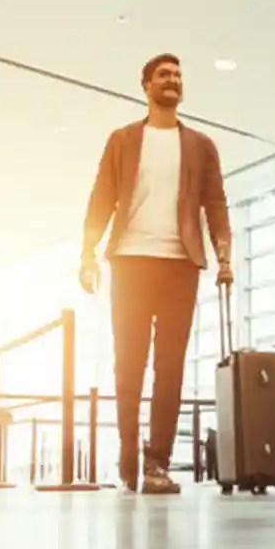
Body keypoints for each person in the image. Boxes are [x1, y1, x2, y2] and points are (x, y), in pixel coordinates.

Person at [79, 53, 234, 494]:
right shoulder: (123, 140)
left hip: (179, 264)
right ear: (145, 85)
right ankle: (129, 455)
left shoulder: (201, 145)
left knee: (170, 368)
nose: (173, 80)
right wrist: (86, 252)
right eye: (164, 75)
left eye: (178, 75)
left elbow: (216, 204)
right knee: (128, 364)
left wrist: (224, 255)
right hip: (129, 259)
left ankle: (157, 463)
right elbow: (101, 198)